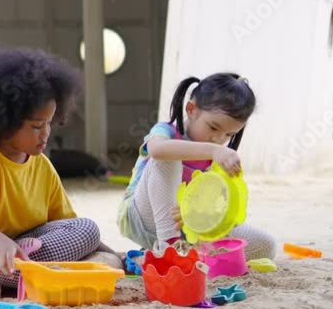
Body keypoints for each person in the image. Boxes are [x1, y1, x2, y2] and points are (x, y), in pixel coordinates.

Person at [0, 45, 118, 299]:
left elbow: (63, 225)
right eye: (35, 126)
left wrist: (116, 255)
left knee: (87, 229)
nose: (45, 134)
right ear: (5, 122)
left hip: (25, 248)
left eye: (49, 124)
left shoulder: (42, 166)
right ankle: (43, 275)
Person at [117, 73, 277, 260]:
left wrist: (199, 213)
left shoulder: (217, 155)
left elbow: (213, 206)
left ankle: (191, 256)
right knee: (169, 155)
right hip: (145, 217)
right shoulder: (167, 131)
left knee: (265, 245)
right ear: (191, 109)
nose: (218, 139)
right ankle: (168, 247)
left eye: (229, 134)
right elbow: (157, 149)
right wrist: (212, 151)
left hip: (187, 228)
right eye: (213, 128)